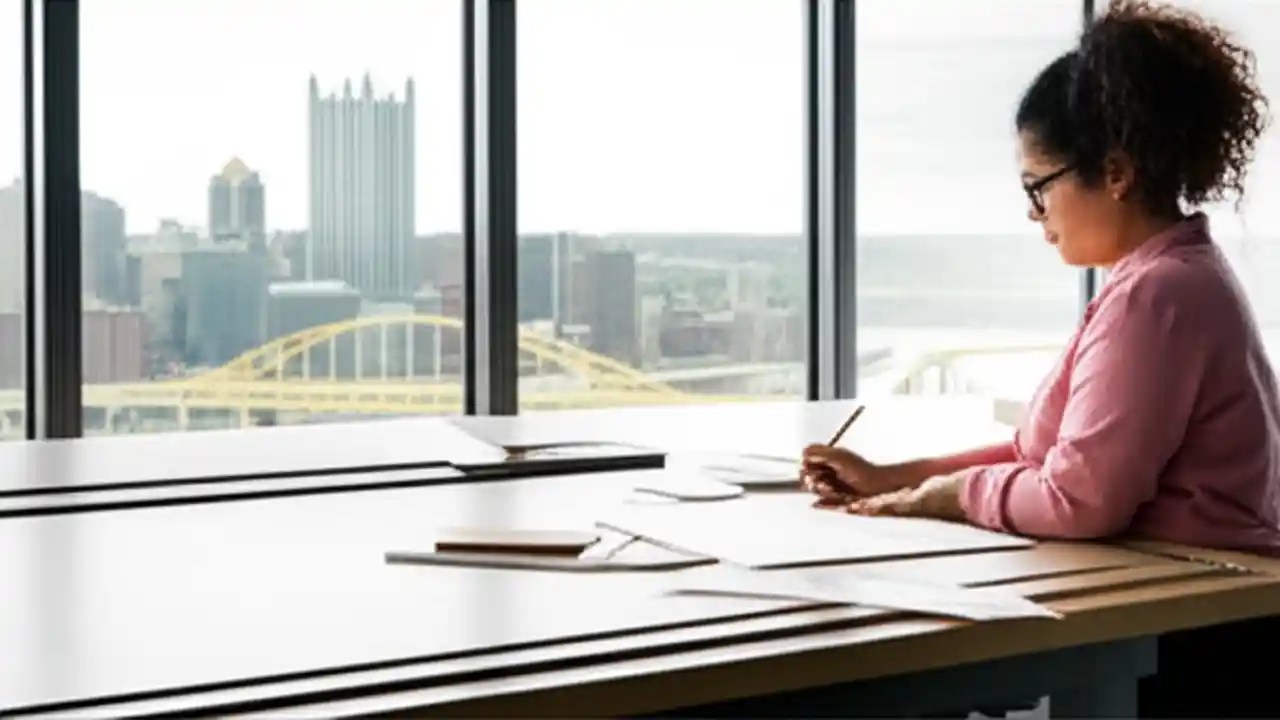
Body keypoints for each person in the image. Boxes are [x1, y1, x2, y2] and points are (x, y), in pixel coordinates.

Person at [801, 2, 1277, 715]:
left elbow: (1077, 499)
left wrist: (952, 497)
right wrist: (897, 481)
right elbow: (1041, 452)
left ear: (1114, 171)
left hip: (1195, 637)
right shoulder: (1162, 278)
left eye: (1038, 184)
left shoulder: (1160, 296)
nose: (1033, 212)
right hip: (1176, 604)